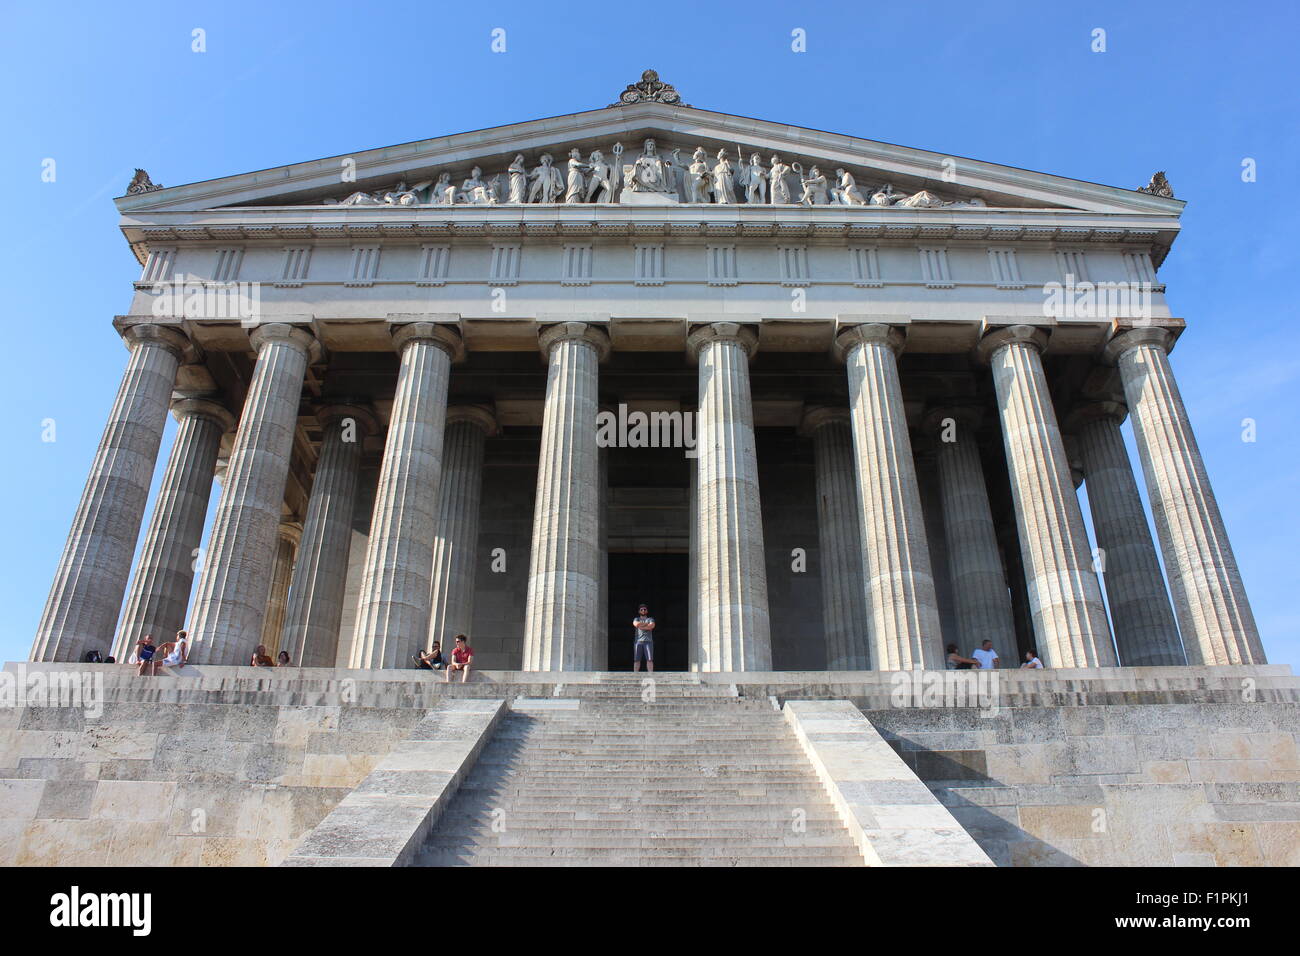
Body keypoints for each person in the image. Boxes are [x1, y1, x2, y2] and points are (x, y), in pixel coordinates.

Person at [632, 604, 655, 673]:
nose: (643, 611)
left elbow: (652, 626)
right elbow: (636, 624)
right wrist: (646, 625)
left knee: (649, 659)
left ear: (647, 611)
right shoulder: (636, 619)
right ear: (639, 611)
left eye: (645, 609)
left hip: (648, 641)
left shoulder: (650, 619)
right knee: (636, 659)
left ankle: (650, 674)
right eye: (641, 609)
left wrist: (641, 626)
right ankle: (635, 674)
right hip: (638, 642)